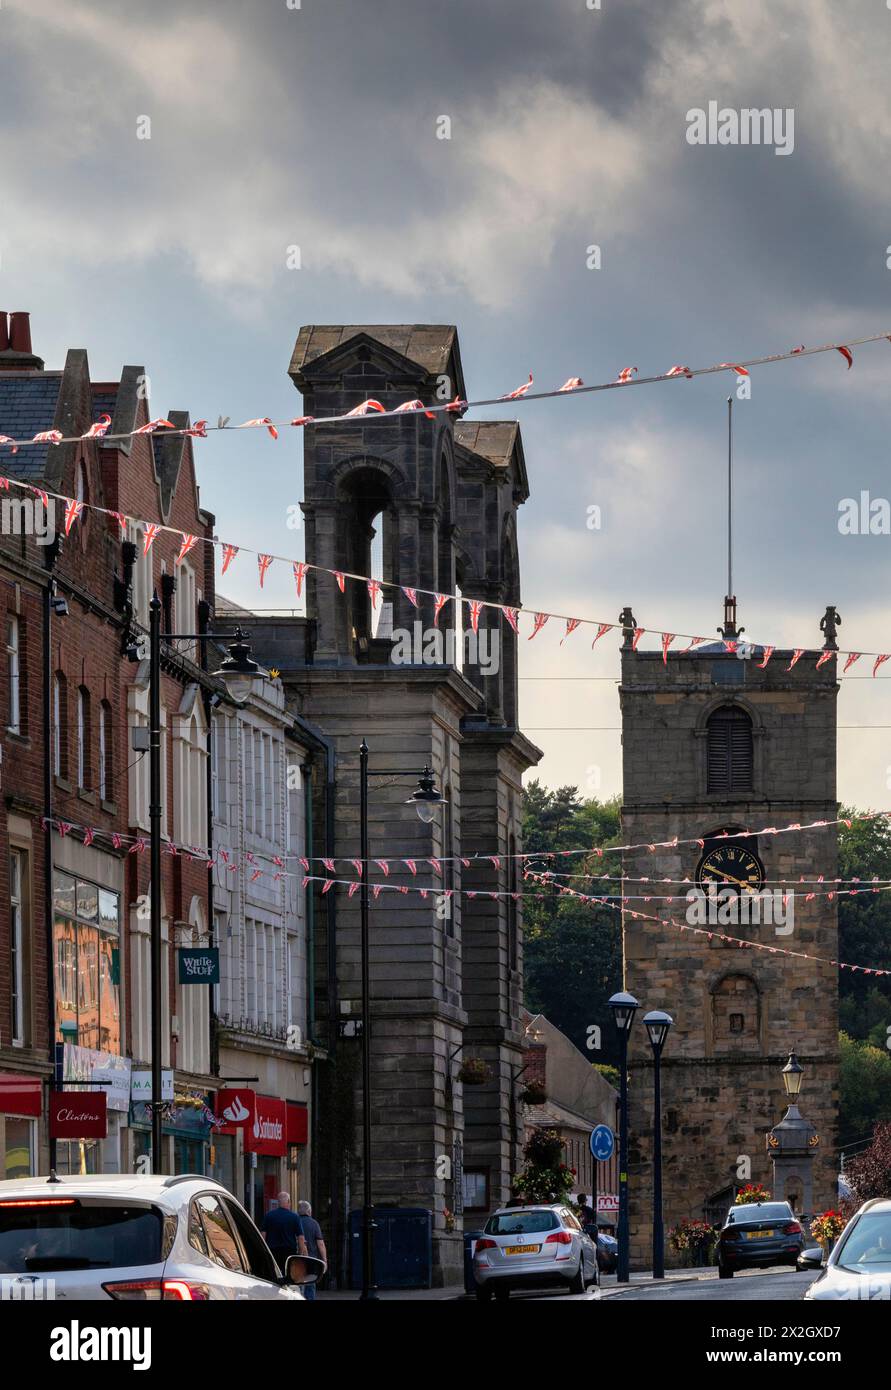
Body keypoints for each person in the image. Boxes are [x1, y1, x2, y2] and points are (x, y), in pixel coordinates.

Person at [262, 1191, 307, 1276]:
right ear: (289, 1201)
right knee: (288, 1276)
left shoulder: (269, 1215)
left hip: (273, 1251)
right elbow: (300, 1237)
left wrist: (264, 1251)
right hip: (289, 1252)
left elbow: (263, 1235)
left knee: (274, 1275)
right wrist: (300, 1254)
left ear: (278, 1202)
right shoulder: (294, 1217)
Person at [296, 1200, 327, 1301]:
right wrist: (324, 1260)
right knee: (310, 1285)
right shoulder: (314, 1224)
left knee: (298, 1285)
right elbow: (320, 1244)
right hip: (311, 1258)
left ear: (298, 1211)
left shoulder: (294, 1221)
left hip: (297, 1258)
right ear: (309, 1211)